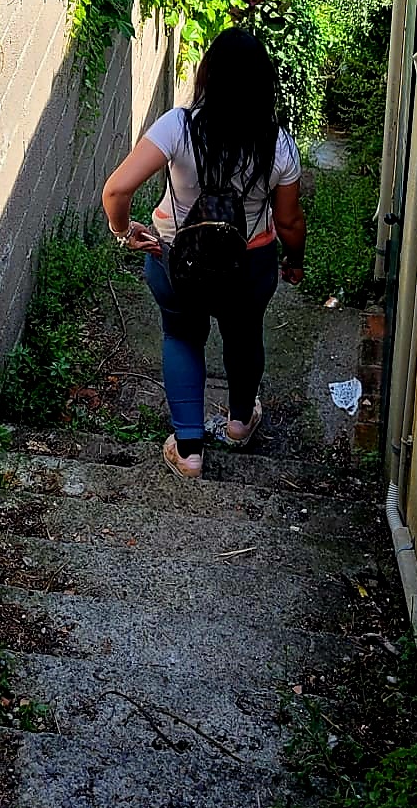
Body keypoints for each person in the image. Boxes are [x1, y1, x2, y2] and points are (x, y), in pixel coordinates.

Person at [101, 27, 306, 480]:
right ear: (263, 84)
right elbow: (289, 221)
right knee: (243, 334)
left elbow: (116, 189)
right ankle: (238, 423)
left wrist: (123, 230)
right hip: (248, 264)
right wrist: (294, 260)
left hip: (176, 258)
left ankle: (189, 450)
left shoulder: (178, 126)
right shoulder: (278, 145)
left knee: (181, 336)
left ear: (207, 74)